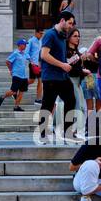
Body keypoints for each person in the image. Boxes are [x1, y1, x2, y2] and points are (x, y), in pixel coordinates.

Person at [38, 11, 80, 144]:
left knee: (71, 100)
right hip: (51, 77)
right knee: (47, 105)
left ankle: (68, 132)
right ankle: (43, 134)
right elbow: (44, 55)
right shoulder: (50, 34)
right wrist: (62, 64)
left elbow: (58, 56)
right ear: (62, 20)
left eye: (72, 24)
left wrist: (68, 62)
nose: (71, 26)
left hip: (62, 76)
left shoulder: (63, 36)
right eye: (70, 23)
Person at [0, 38, 30, 110]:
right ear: (20, 45)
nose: (25, 46)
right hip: (17, 75)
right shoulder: (15, 53)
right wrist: (11, 70)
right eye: (24, 44)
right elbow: (7, 61)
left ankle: (16, 106)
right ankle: (3, 96)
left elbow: (30, 59)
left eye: (26, 44)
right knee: (13, 91)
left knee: (22, 92)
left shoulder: (25, 53)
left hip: (24, 76)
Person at [25, 27, 44, 102]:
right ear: (36, 33)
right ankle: (18, 87)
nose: (41, 35)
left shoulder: (41, 41)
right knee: (31, 81)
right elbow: (26, 53)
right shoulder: (31, 41)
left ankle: (38, 98)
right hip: (33, 65)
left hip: (39, 65)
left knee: (40, 80)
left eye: (42, 33)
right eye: (40, 33)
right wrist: (31, 61)